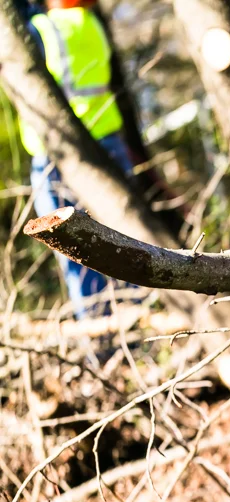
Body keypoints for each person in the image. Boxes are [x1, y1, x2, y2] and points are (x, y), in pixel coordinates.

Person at [18, 0, 134, 319]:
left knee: (74, 250)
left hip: (61, 152)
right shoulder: (90, 22)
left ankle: (100, 335)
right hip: (108, 141)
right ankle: (140, 316)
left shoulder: (42, 29)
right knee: (128, 242)